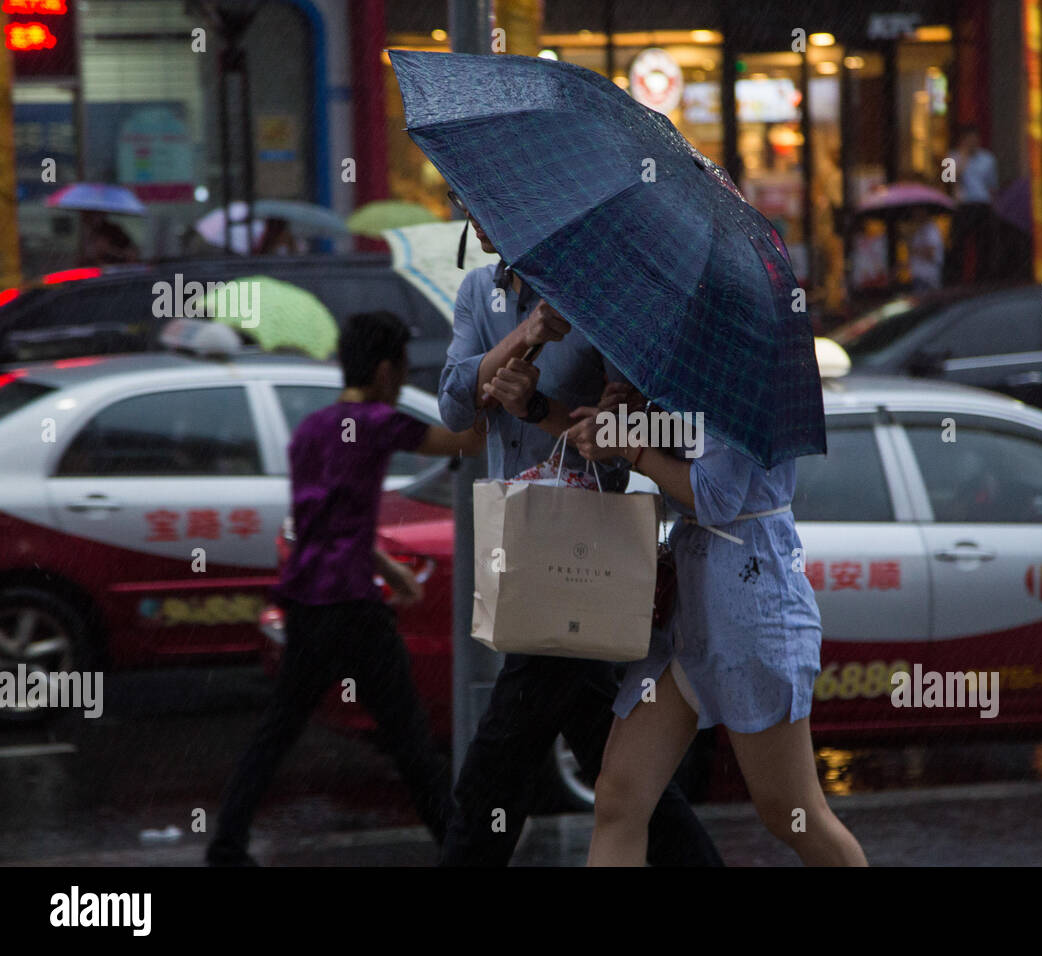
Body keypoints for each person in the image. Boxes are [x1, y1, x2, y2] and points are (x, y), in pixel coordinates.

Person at [435, 195, 723, 867]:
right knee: (613, 767)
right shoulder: (481, 291)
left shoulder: (601, 300)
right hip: (517, 547)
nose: (472, 214)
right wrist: (528, 332)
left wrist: (541, 406)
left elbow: (623, 426)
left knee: (493, 773)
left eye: (481, 202)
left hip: (580, 557)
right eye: (462, 201)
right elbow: (453, 402)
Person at [206, 311, 483, 866]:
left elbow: (332, 517)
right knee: (408, 738)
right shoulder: (378, 422)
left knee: (278, 730)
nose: (403, 380)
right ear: (385, 371)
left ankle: (226, 843)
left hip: (308, 602)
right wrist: (504, 383)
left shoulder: (311, 429)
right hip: (354, 606)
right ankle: (462, 852)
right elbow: (465, 440)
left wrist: (387, 564)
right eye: (402, 369)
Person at [567, 396, 869, 867]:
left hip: (751, 606)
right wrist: (616, 417)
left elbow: (716, 494)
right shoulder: (684, 374)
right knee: (619, 796)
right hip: (685, 612)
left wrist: (634, 446)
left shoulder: (740, 373)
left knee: (792, 813)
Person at [946, 125, 999, 284]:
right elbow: (948, 181)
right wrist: (963, 158)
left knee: (984, 245)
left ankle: (983, 279)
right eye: (969, 139)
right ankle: (956, 279)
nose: (973, 142)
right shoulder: (952, 157)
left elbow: (992, 185)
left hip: (981, 204)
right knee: (958, 244)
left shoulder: (988, 159)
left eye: (975, 139)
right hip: (963, 205)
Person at [906, 209, 944, 292]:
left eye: (917, 213)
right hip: (918, 275)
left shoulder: (931, 230)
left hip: (927, 278)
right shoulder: (919, 231)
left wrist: (914, 250)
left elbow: (931, 254)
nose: (914, 217)